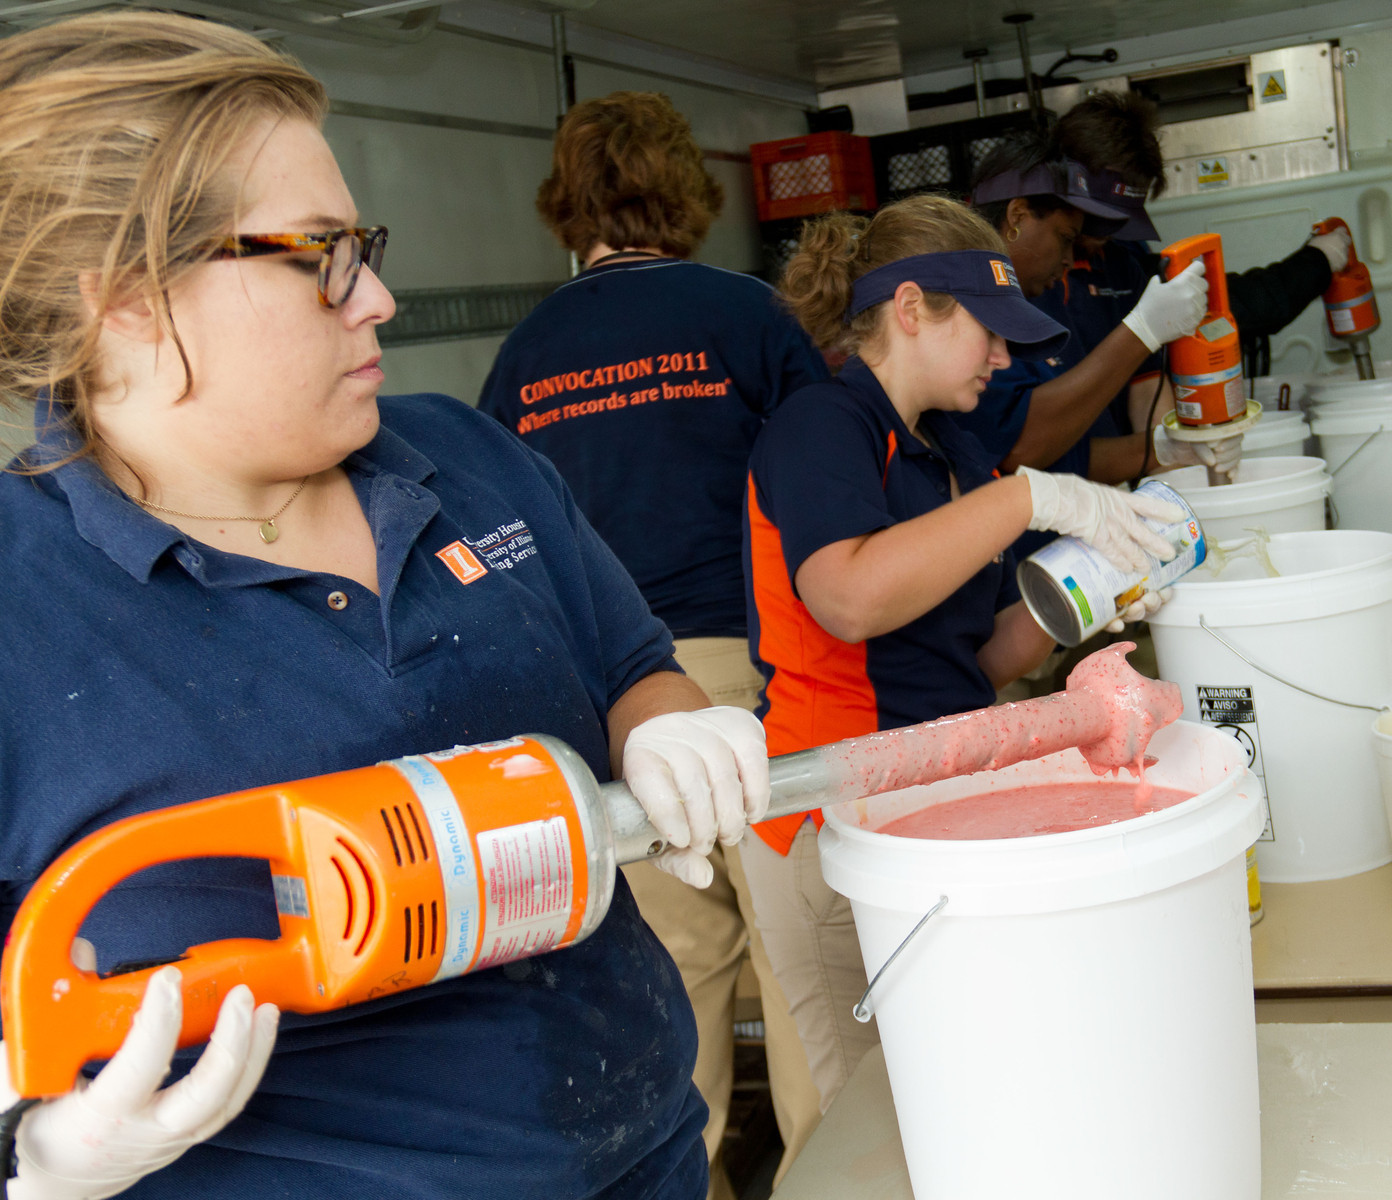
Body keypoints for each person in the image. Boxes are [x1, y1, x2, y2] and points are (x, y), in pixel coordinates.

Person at [0, 13, 771, 1198]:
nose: (380, 299)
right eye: (321, 256)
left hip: (648, 1157)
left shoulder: (467, 458)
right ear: (133, 300)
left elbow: (631, 670)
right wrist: (26, 1156)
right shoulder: (22, 603)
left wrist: (674, 729)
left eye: (364, 246)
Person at [739, 193, 1184, 1113]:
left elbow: (972, 664)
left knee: (956, 1102)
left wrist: (1092, 589)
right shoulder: (821, 425)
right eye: (987, 330)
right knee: (862, 1124)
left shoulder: (953, 449)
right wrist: (1030, 499)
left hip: (932, 804)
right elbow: (849, 599)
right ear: (911, 309)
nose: (1003, 357)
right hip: (831, 818)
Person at [477, 92, 825, 1196]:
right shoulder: (749, 316)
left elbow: (506, 544)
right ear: (686, 189)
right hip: (755, 682)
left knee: (681, 976)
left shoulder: (524, 357)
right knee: (806, 973)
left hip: (613, 713)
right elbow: (829, 492)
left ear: (565, 203)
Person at [1053, 90, 1352, 426]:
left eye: (1121, 220)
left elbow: (1149, 388)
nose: (1108, 233)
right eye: (1102, 217)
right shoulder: (1029, 276)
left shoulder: (1120, 265)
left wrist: (1171, 449)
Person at [957, 132, 1216, 505]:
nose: (1068, 259)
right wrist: (1141, 332)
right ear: (1017, 216)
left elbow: (1062, 454)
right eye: (1065, 238)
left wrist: (1166, 449)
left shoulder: (1011, 305)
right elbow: (1020, 448)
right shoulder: (963, 305)